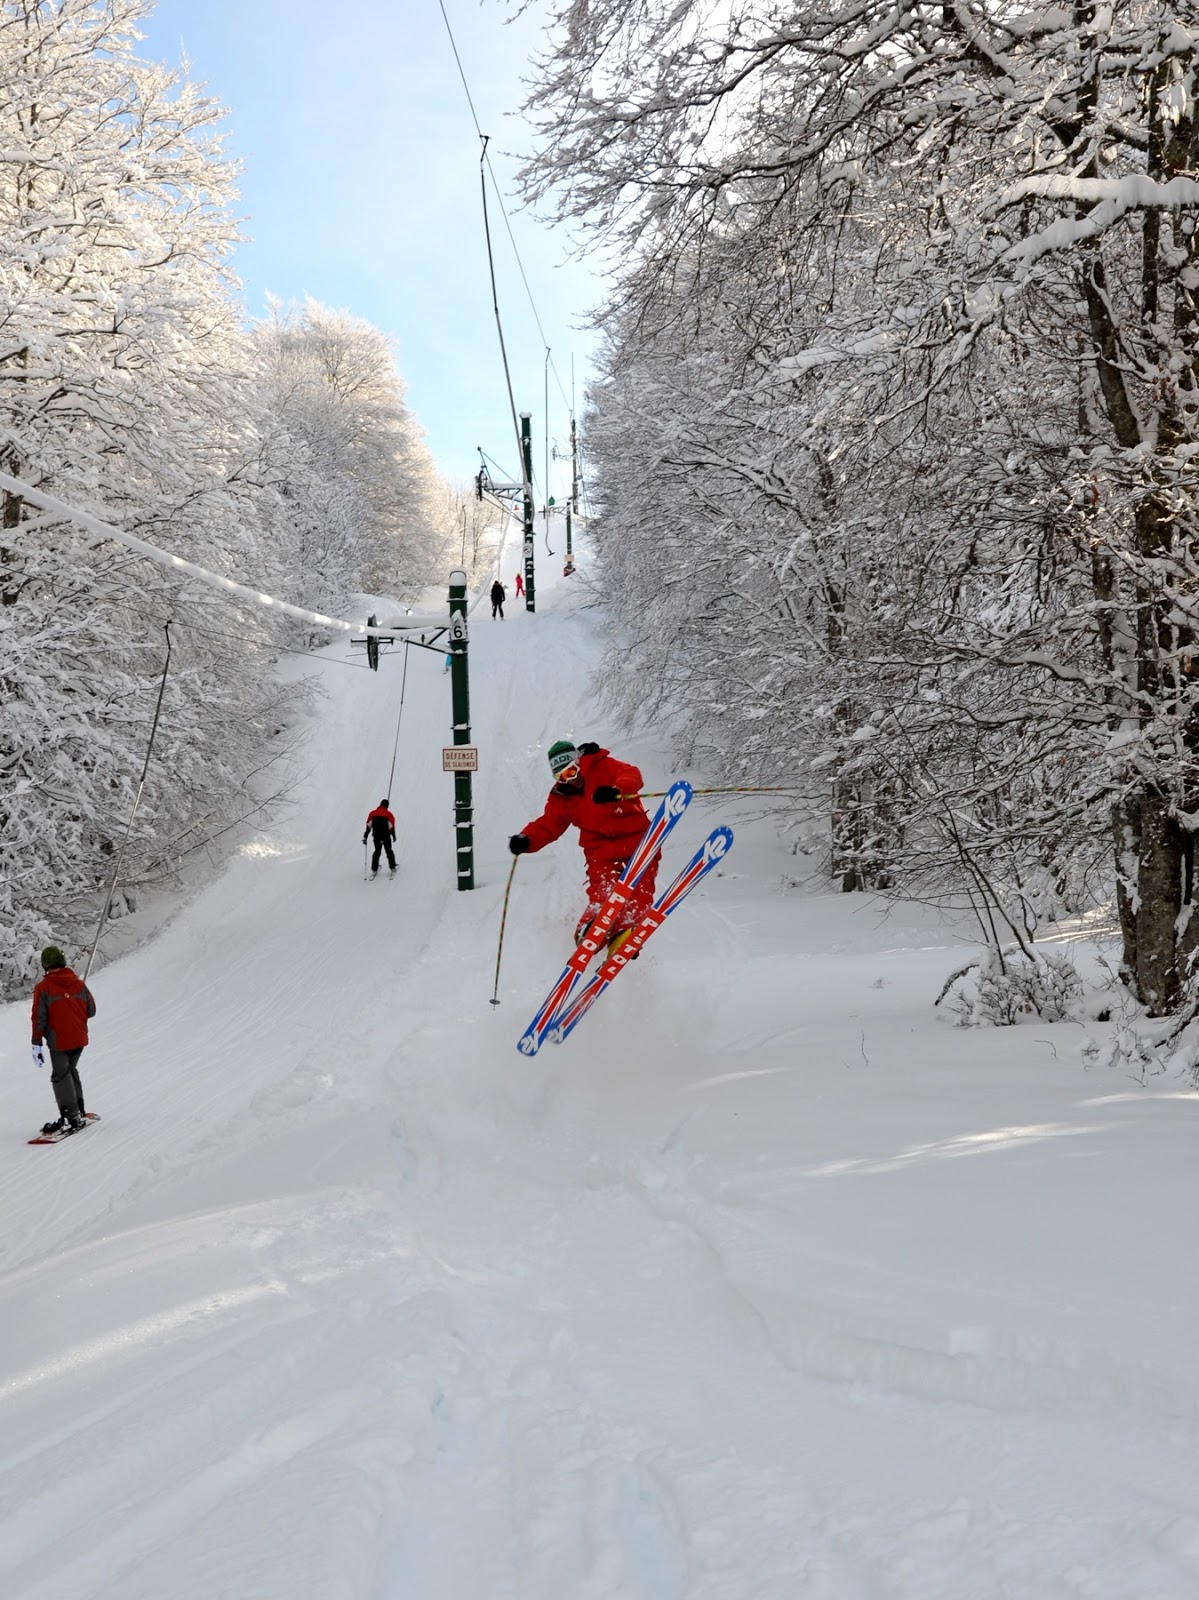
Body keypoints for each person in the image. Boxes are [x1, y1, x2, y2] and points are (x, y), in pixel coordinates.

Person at [508, 740, 656, 948]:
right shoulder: (561, 797)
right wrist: (527, 839)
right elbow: (549, 824)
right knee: (602, 889)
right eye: (562, 777)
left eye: (572, 771)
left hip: (636, 839)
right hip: (599, 849)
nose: (571, 780)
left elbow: (631, 774)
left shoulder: (602, 766)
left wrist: (616, 789)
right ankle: (591, 929)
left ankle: (626, 929)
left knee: (640, 889)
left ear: (579, 763)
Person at [31, 945, 96, 1135]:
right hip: (79, 1038)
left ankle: (71, 1116)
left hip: (59, 1041)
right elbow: (91, 1010)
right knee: (70, 1070)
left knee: (60, 1075)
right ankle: (79, 1110)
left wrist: (36, 1043)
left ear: (45, 964)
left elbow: (39, 1018)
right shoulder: (79, 984)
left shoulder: (43, 988)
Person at [363, 798, 397, 878]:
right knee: (389, 851)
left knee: (377, 851)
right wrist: (393, 836)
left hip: (376, 836)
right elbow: (391, 827)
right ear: (387, 806)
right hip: (386, 837)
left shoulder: (372, 813)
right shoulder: (389, 814)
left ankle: (374, 869)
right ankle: (392, 867)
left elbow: (368, 826)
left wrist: (365, 836)